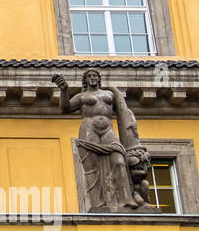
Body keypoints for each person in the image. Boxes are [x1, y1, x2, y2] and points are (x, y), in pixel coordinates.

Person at [52, 69, 146, 211]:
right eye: (89, 76)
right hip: (89, 129)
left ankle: (127, 199)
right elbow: (65, 108)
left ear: (99, 79)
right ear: (85, 80)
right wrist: (64, 90)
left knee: (119, 161)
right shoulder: (81, 96)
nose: (92, 78)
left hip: (108, 129)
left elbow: (123, 111)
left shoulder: (109, 94)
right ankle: (98, 204)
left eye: (95, 75)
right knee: (92, 168)